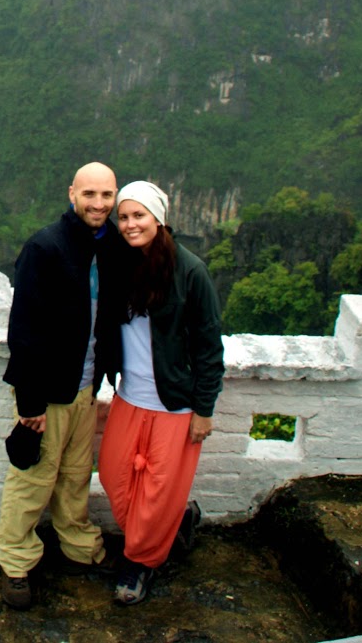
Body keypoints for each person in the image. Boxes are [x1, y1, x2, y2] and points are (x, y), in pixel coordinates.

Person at [0, 161, 125, 610]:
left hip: (85, 387)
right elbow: (24, 329)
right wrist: (29, 401)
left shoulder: (110, 247)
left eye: (106, 195)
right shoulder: (45, 247)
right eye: (89, 194)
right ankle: (16, 563)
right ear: (72, 194)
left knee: (74, 476)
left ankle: (78, 547)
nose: (98, 204)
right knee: (33, 478)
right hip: (46, 392)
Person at [96, 179, 225, 606]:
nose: (130, 224)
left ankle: (140, 563)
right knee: (114, 476)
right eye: (124, 217)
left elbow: (209, 346)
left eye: (139, 216)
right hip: (130, 397)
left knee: (155, 492)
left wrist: (203, 409)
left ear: (159, 218)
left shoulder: (190, 271)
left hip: (175, 403)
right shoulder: (122, 264)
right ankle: (178, 519)